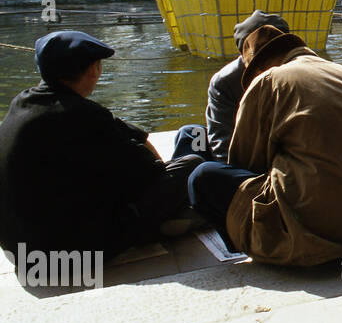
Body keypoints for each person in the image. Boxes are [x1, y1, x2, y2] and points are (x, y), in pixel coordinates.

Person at [187, 25, 342, 266]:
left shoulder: (267, 80)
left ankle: (248, 244)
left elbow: (245, 162)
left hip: (332, 229)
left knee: (202, 176)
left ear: (260, 66)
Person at [0, 31, 205, 264]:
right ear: (94, 69)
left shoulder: (23, 102)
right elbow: (151, 174)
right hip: (67, 253)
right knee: (194, 164)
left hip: (21, 252)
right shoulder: (83, 115)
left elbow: (128, 132)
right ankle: (167, 222)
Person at [205, 10, 290, 160]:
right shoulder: (224, 81)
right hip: (245, 157)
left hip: (284, 157)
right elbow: (222, 144)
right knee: (192, 134)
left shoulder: (297, 73)